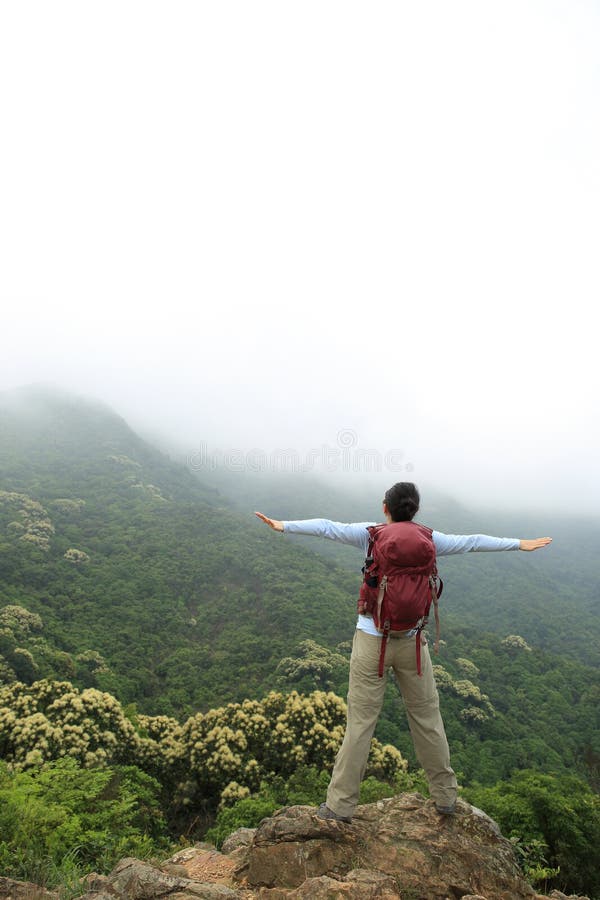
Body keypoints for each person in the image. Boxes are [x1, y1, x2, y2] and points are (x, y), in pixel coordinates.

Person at [255, 482, 552, 821]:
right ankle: (445, 798)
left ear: (386, 508)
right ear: (415, 510)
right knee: (427, 718)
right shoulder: (430, 539)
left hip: (371, 641)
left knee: (360, 724)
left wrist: (283, 526)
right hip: (413, 643)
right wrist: (519, 545)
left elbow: (326, 527)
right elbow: (473, 542)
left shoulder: (371, 536)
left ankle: (339, 806)